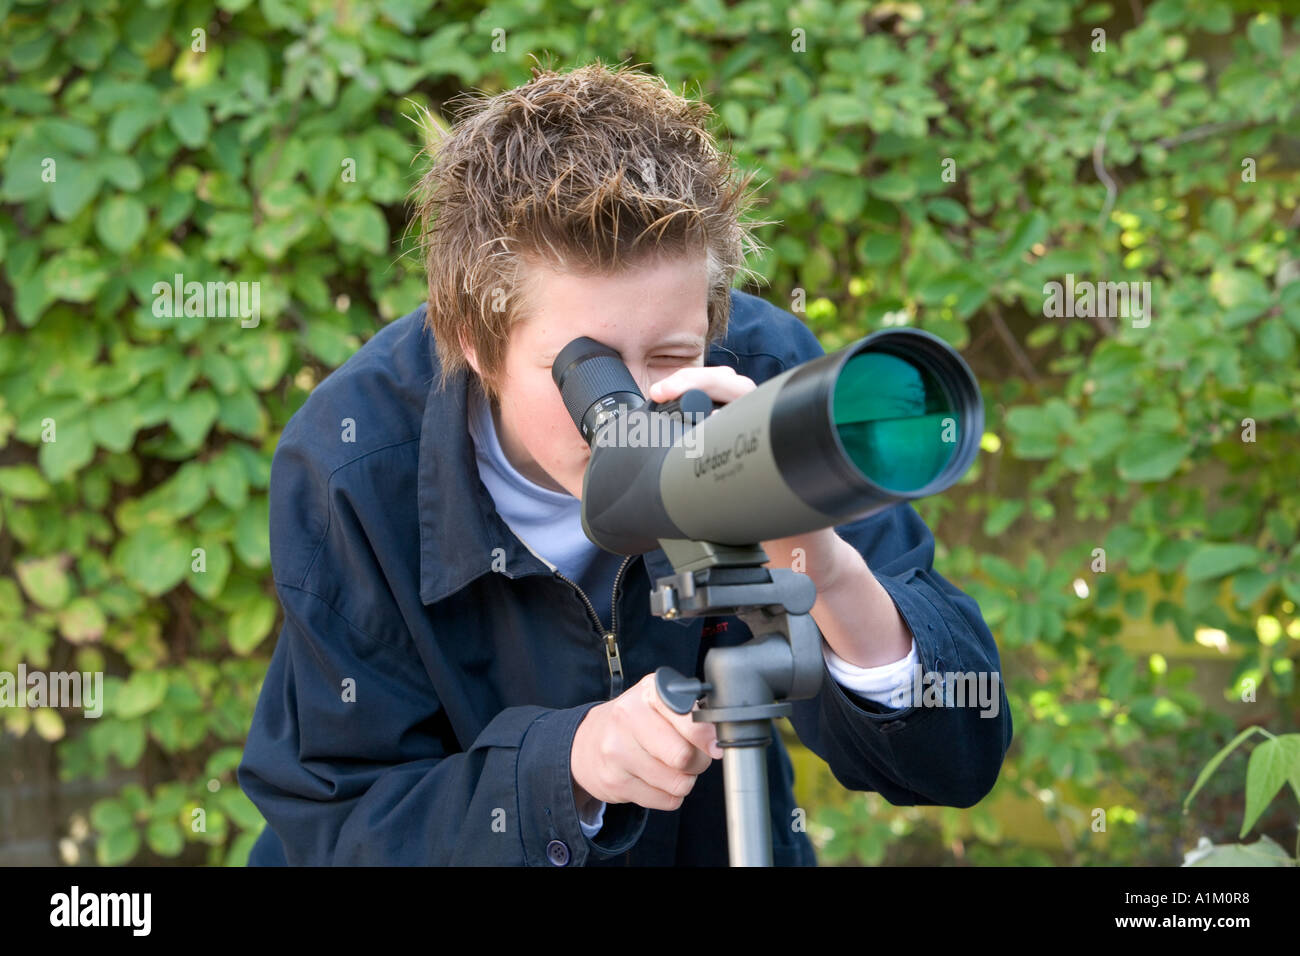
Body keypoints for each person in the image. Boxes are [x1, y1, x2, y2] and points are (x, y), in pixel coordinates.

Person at [237, 60, 1012, 866]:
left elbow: (955, 753)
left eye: (673, 353)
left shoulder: (760, 374)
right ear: (475, 343)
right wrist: (567, 768)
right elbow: (336, 825)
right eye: (587, 368)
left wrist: (814, 556)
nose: (637, 411)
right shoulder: (354, 460)